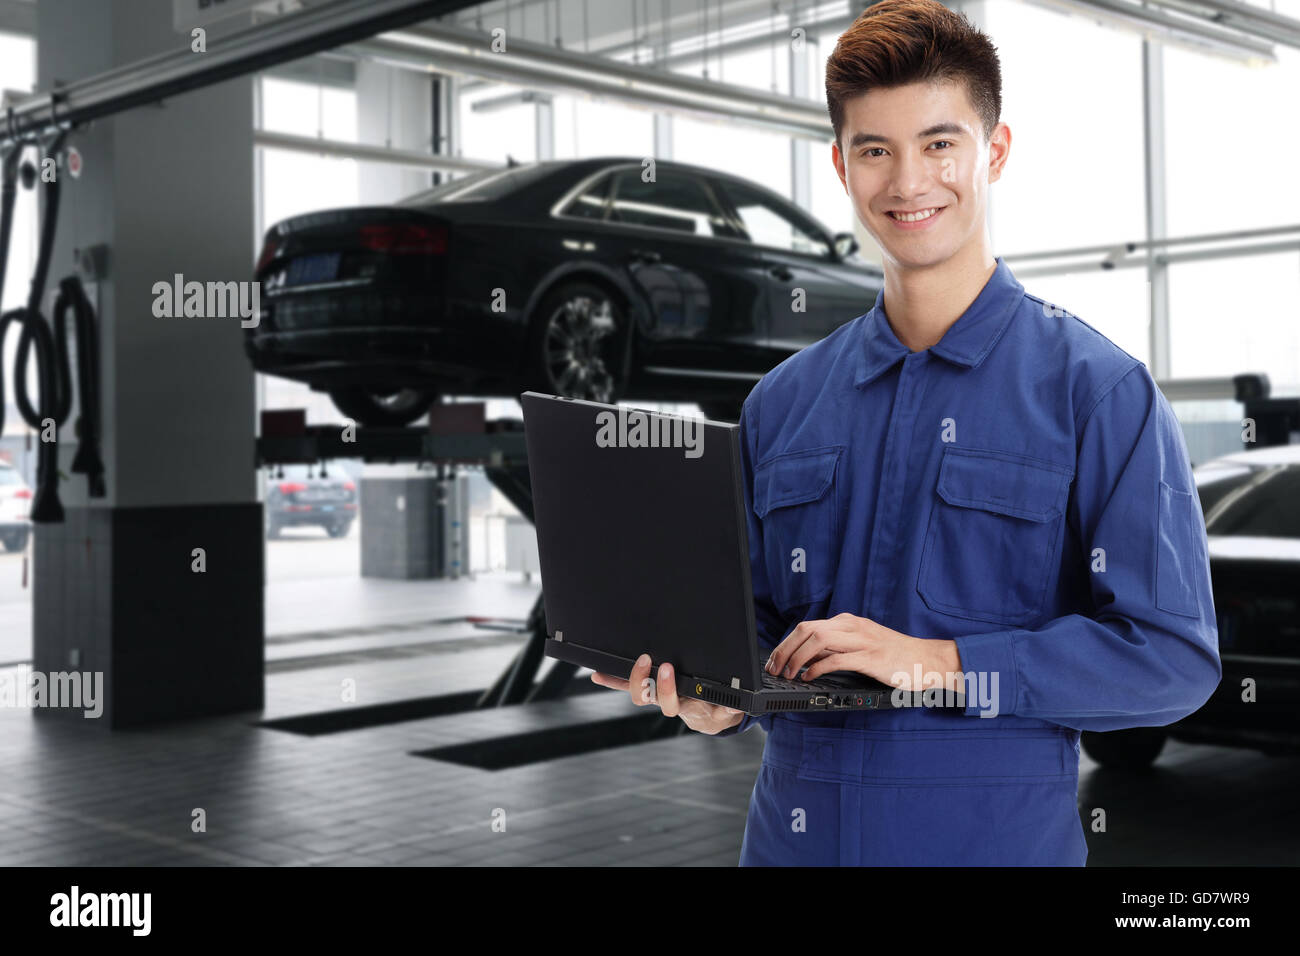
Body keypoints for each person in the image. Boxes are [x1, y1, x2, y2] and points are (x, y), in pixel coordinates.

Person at [591, 0, 1220, 865]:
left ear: (992, 152)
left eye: (938, 143)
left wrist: (937, 662)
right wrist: (714, 695)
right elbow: (755, 627)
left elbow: (1171, 660)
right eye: (874, 150)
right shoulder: (782, 401)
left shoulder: (1098, 392)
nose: (908, 182)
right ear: (842, 167)